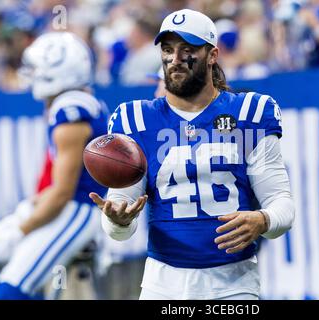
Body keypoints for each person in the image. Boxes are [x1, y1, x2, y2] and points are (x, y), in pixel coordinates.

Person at [90, 9, 295, 300]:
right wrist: (118, 219)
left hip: (233, 285)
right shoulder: (135, 118)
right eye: (168, 49)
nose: (175, 59)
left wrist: (263, 220)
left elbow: (281, 203)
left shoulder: (250, 113)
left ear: (212, 55)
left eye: (187, 50)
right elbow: (120, 225)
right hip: (162, 285)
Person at [0, 32, 109, 299]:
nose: (30, 74)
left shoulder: (71, 111)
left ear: (57, 71)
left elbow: (63, 192)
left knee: (11, 288)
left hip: (77, 210)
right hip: (65, 206)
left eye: (37, 67)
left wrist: (23, 228)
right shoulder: (75, 102)